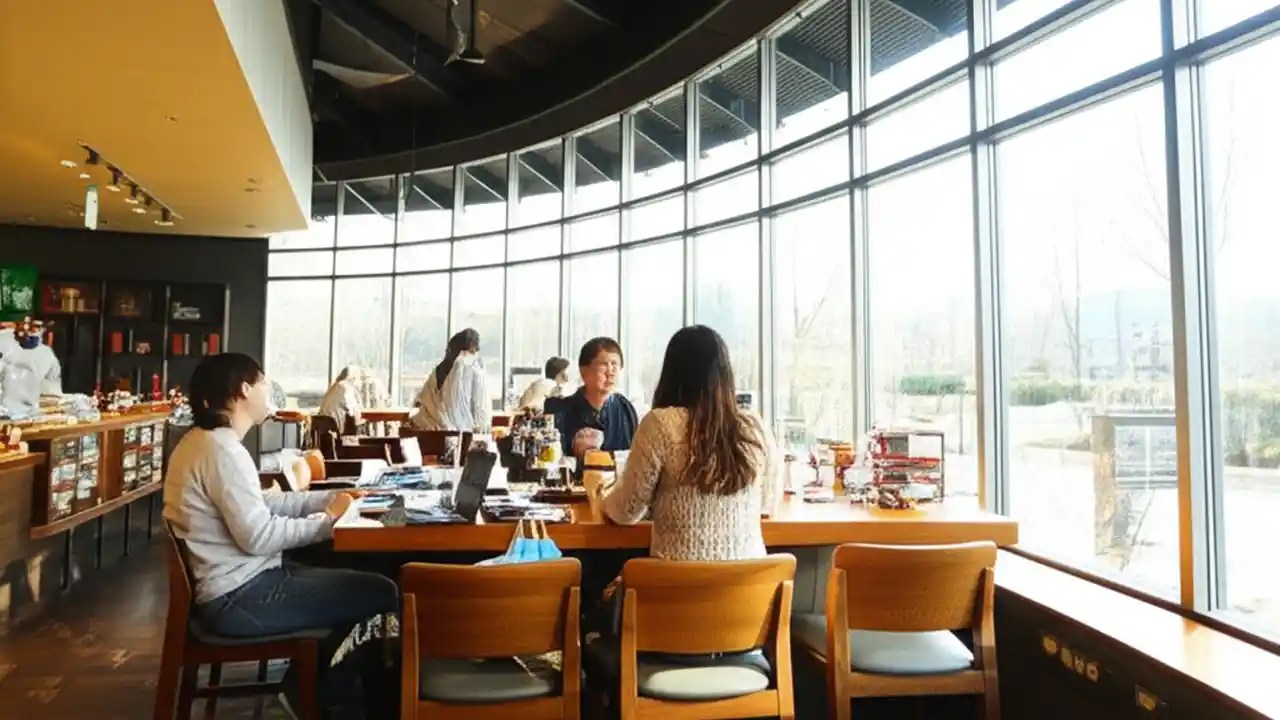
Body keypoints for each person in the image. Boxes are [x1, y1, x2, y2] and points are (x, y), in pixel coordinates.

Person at [163, 353, 399, 718]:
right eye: (263, 383)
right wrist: (327, 521)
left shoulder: (205, 443)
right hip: (237, 597)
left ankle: (321, 691)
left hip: (238, 585)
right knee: (381, 591)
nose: (267, 390)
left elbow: (267, 507)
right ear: (244, 389)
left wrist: (332, 498)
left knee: (358, 579)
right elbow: (258, 536)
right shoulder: (222, 451)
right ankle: (319, 697)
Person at [600, 325, 779, 559]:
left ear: (671, 374)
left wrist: (601, 495)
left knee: (597, 587)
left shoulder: (660, 424)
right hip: (751, 590)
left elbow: (625, 511)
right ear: (725, 376)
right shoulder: (756, 427)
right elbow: (767, 502)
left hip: (674, 591)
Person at [548, 337, 638, 458]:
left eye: (615, 364)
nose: (610, 372)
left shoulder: (625, 410)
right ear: (584, 371)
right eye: (604, 364)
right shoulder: (560, 411)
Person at [408, 328, 491, 431]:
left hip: (428, 431)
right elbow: (480, 411)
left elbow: (422, 401)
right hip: (454, 434)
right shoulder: (467, 365)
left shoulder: (442, 368)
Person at [317, 365, 363, 434]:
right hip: (336, 432)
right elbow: (353, 412)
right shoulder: (345, 387)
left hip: (323, 432)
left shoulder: (334, 387)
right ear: (353, 377)